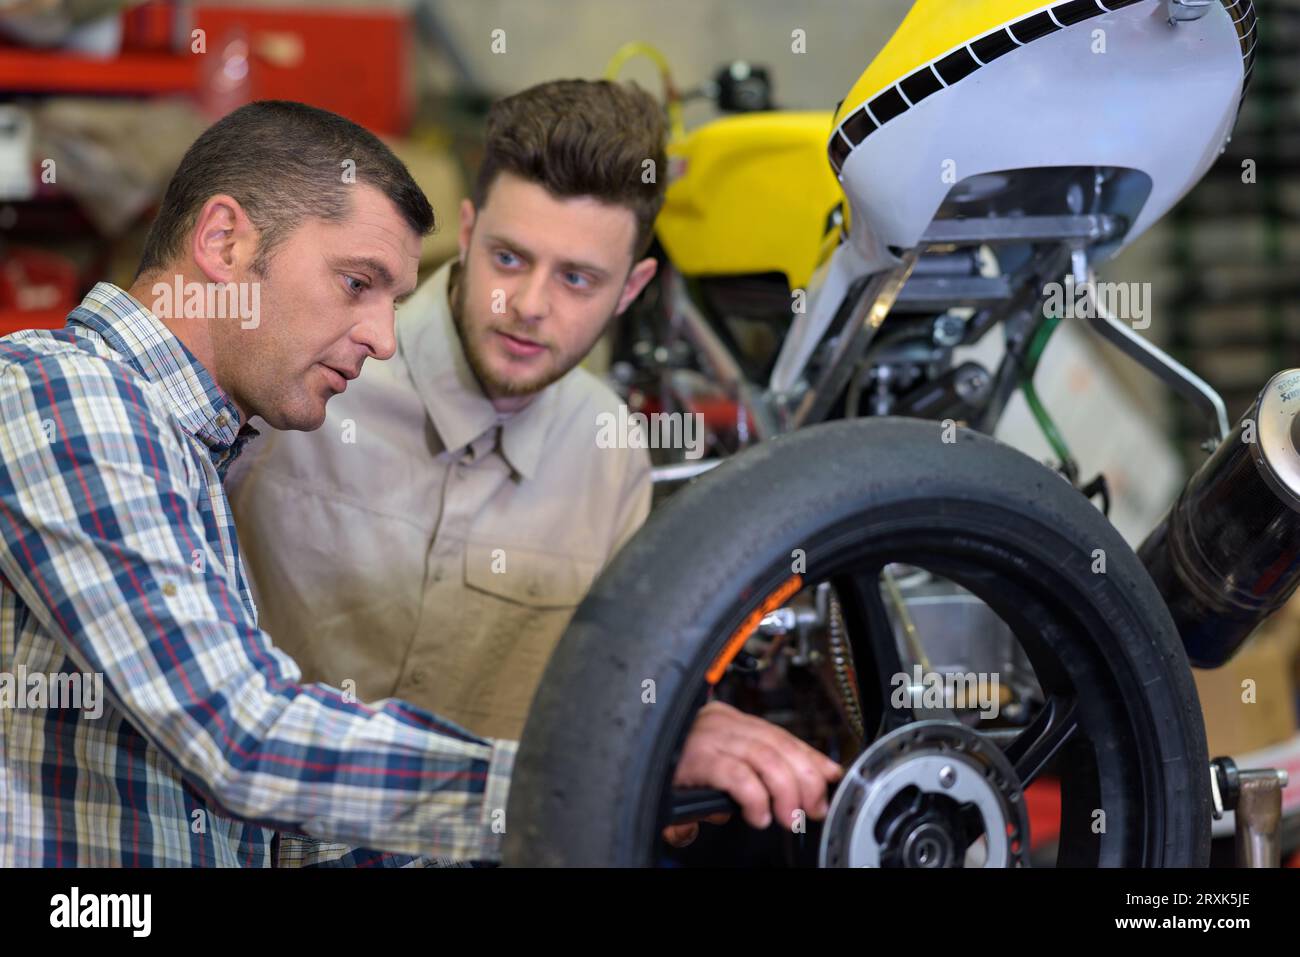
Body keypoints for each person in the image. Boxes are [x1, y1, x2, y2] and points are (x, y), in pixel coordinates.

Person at [0, 97, 837, 868]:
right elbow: (246, 740)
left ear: (631, 290)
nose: (382, 339)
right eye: (356, 283)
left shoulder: (194, 443)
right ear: (223, 243)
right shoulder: (67, 396)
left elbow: (248, 828)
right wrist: (588, 779)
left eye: (578, 277)